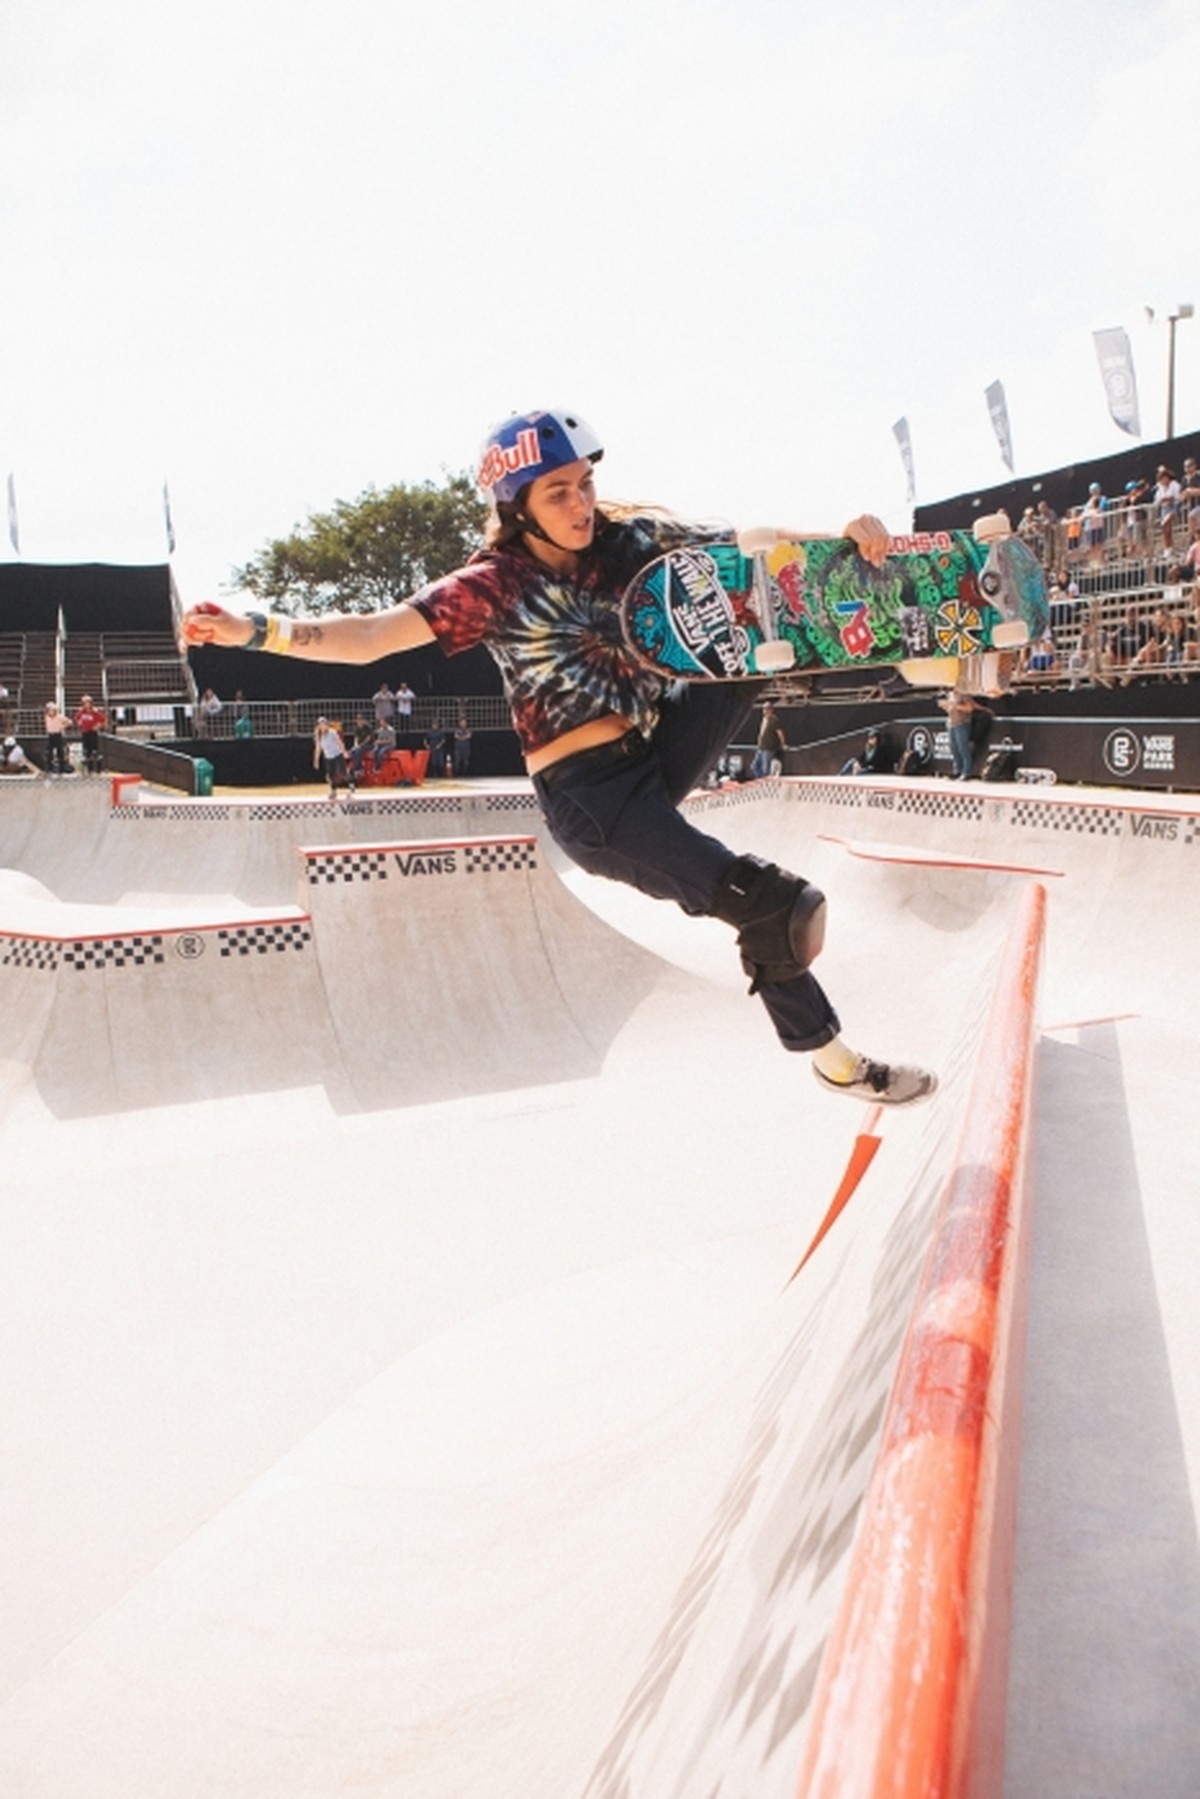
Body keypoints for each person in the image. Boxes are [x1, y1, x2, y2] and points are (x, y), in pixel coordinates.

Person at [181, 407, 935, 1105]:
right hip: (595, 804)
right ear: (518, 508)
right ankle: (839, 1063)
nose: (580, 507)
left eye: (585, 486)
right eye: (557, 495)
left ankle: (900, 657)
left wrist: (842, 541)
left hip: (658, 746)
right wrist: (259, 630)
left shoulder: (629, 541)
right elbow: (375, 635)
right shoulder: (494, 584)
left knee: (747, 635)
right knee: (779, 907)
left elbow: (747, 551)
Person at [938, 690, 977, 780]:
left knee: (963, 748)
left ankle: (967, 772)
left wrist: (955, 705)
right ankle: (957, 770)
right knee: (954, 749)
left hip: (962, 723)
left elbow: (969, 708)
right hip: (952, 724)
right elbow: (950, 710)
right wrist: (945, 706)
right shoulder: (950, 694)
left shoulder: (964, 694)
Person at [312, 716, 351, 795]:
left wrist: (344, 752)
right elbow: (318, 748)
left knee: (342, 772)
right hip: (328, 757)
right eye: (320, 725)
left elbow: (339, 742)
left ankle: (351, 784)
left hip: (337, 755)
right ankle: (333, 791)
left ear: (327, 725)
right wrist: (316, 760)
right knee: (330, 775)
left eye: (324, 724)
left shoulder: (332, 732)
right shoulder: (318, 736)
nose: (322, 726)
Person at [750, 700, 787, 778]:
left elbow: (780, 733)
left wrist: (783, 744)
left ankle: (765, 783)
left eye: (767, 709)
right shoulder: (764, 719)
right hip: (761, 748)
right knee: (754, 767)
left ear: (771, 710)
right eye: (764, 709)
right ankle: (761, 779)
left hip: (768, 748)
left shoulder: (774, 720)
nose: (765, 711)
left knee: (765, 769)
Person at [73, 694, 106, 772]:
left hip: (92, 732)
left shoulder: (95, 712)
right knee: (87, 751)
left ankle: (97, 769)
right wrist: (79, 723)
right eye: (85, 703)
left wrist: (98, 726)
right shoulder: (81, 712)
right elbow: (77, 718)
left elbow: (103, 720)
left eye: (88, 703)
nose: (87, 705)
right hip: (85, 732)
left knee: (94, 751)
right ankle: (89, 768)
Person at [44, 701, 71, 774]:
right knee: (49, 752)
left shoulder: (59, 717)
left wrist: (62, 727)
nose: (50, 711)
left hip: (57, 734)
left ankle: (62, 768)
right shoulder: (47, 717)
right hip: (50, 735)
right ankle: (49, 768)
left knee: (60, 752)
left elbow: (69, 722)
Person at [453, 713, 472, 778]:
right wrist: (463, 738)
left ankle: (464, 774)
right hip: (458, 747)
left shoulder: (468, 729)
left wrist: (462, 738)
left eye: (464, 722)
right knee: (457, 761)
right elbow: (456, 736)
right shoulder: (457, 730)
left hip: (466, 747)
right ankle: (456, 774)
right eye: (462, 722)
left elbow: (469, 736)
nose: (463, 724)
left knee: (465, 761)